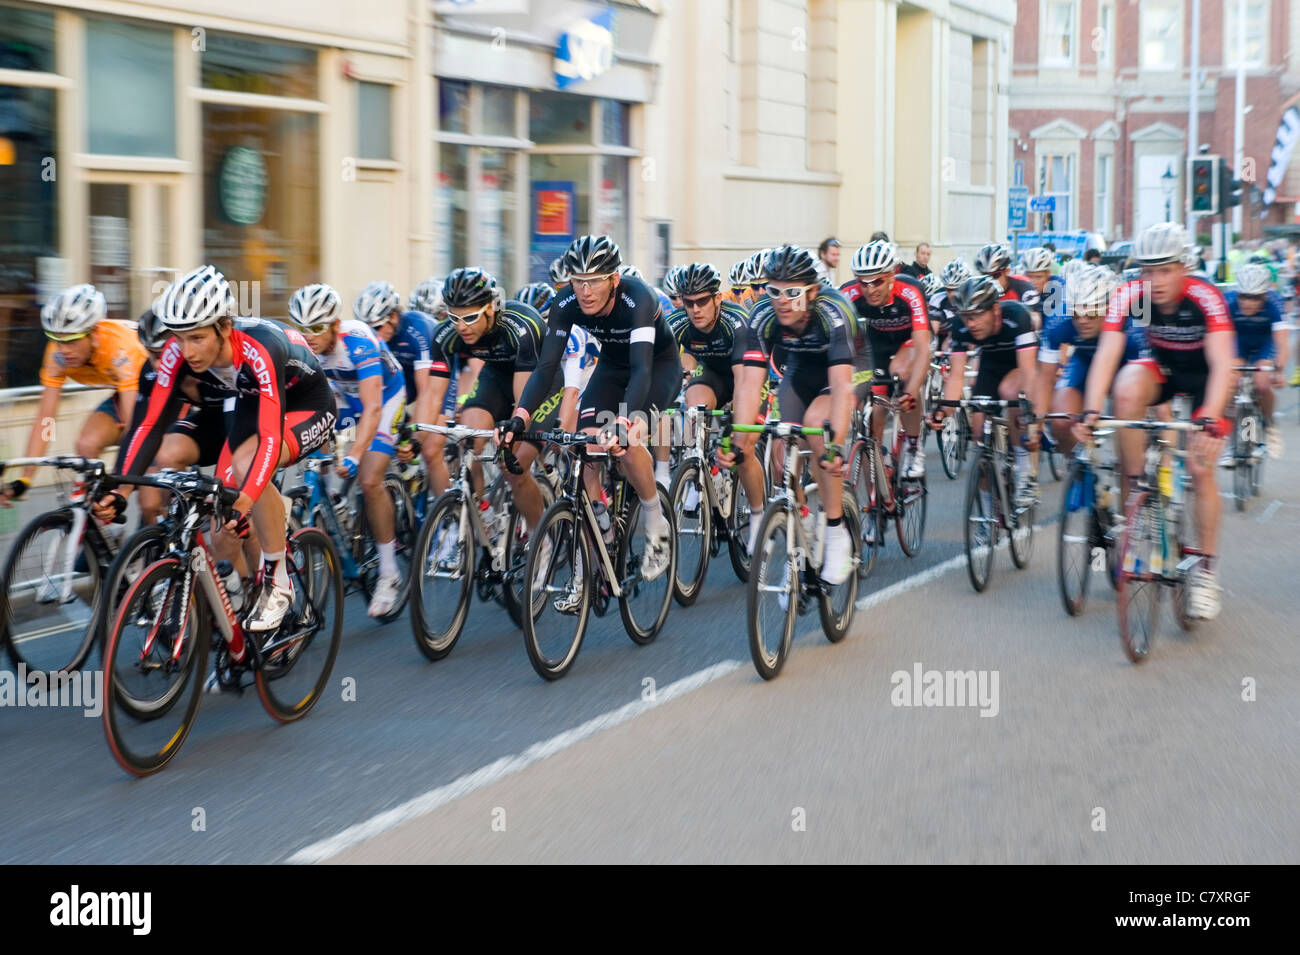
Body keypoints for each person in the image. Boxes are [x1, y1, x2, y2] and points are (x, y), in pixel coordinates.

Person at [105, 266, 337, 632]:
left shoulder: (260, 347)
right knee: (224, 494)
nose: (187, 351)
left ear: (224, 328)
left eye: (197, 338)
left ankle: (279, 582)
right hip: (250, 398)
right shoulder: (177, 353)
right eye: (180, 339)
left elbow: (271, 437)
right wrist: (121, 489)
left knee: (247, 470)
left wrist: (244, 503)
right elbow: (147, 425)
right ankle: (240, 589)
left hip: (307, 402)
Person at [1075, 222, 1235, 620]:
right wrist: (1092, 410)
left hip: (1205, 381)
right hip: (1163, 368)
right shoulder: (1133, 295)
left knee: (1199, 469)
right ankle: (1137, 491)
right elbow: (1107, 356)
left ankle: (1206, 573)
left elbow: (1223, 364)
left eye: (1165, 270)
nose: (1155, 280)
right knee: (1125, 388)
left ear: (1184, 266)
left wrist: (1211, 418)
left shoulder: (1205, 296)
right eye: (1148, 271)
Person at [501, 235, 683, 582]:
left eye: (594, 281)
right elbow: (545, 369)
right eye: (578, 281)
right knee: (586, 448)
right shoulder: (567, 301)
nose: (585, 291)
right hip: (612, 368)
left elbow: (642, 370)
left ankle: (656, 526)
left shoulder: (637, 298)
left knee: (626, 442)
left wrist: (625, 420)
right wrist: (519, 417)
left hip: (657, 367)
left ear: (613, 280)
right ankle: (600, 521)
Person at [733, 244, 856, 583]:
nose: (781, 300)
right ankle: (799, 529)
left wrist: (837, 444)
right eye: (774, 291)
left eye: (792, 292)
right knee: (778, 448)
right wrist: (737, 438)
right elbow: (748, 385)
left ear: (812, 291)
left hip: (844, 370)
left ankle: (835, 532)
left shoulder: (832, 312)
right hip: (800, 370)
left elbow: (842, 387)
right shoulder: (762, 315)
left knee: (818, 427)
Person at [290, 282, 408, 618]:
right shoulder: (302, 347)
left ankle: (389, 574)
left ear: (335, 326)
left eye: (316, 328)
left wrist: (356, 454)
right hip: (340, 395)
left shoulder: (358, 342)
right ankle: (337, 507)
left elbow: (371, 409)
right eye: (302, 328)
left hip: (384, 397)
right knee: (321, 460)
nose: (308, 336)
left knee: (370, 479)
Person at [4, 284, 146, 505]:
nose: (63, 350)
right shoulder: (57, 356)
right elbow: (46, 419)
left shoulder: (121, 351)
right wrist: (26, 477)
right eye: (57, 340)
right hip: (124, 390)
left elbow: (132, 427)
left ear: (95, 333)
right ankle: (93, 529)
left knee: (150, 498)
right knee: (86, 444)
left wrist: (121, 486)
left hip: (162, 389)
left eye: (72, 341)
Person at [656, 264, 765, 539]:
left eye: (702, 301)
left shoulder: (736, 321)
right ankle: (703, 469)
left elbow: (743, 382)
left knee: (743, 450)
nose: (695, 309)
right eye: (689, 302)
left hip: (744, 376)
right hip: (713, 374)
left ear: (717, 298)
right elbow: (668, 367)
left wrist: (738, 418)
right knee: (692, 406)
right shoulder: (678, 322)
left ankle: (758, 515)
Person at [931, 275, 1041, 505]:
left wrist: (1031, 415)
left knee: (1011, 393)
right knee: (979, 432)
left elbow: (1029, 372)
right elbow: (956, 376)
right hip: (991, 365)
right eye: (965, 317)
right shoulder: (961, 326)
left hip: (1019, 363)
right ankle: (986, 514)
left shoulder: (1017, 316)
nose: (970, 324)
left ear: (995, 310)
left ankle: (1024, 471)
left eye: (977, 316)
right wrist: (944, 411)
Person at [840, 239, 930, 478]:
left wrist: (910, 392)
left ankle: (913, 445)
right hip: (874, 347)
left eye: (878, 281)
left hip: (907, 342)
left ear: (892, 275)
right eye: (863, 283)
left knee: (902, 373)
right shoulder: (848, 294)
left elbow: (923, 349)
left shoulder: (910, 291)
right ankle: (878, 470)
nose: (870, 290)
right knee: (875, 405)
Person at [1034, 264, 1146, 454]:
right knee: (1061, 421)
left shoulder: (1133, 323)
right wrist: (1036, 426)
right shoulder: (1058, 320)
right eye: (1076, 314)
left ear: (1110, 309)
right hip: (1085, 362)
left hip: (1127, 366)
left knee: (1126, 433)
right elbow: (1044, 380)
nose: (1083, 321)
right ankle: (1077, 469)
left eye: (1093, 313)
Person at [359, 279, 446, 497]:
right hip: (401, 382)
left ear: (394, 317)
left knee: (429, 449)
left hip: (437, 379)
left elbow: (427, 392)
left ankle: (450, 520)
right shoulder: (369, 339)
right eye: (369, 328)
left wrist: (416, 439)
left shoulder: (419, 329)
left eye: (378, 327)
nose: (374, 335)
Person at [1223, 262, 1287, 460]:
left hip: (1265, 344)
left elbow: (1282, 343)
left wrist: (1278, 369)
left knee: (1262, 383)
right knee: (1231, 382)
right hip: (1239, 342)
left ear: (1265, 295)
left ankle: (1269, 424)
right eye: (1243, 295)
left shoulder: (1274, 304)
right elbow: (1222, 338)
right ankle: (1232, 442)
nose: (1247, 302)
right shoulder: (1229, 302)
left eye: (1254, 297)